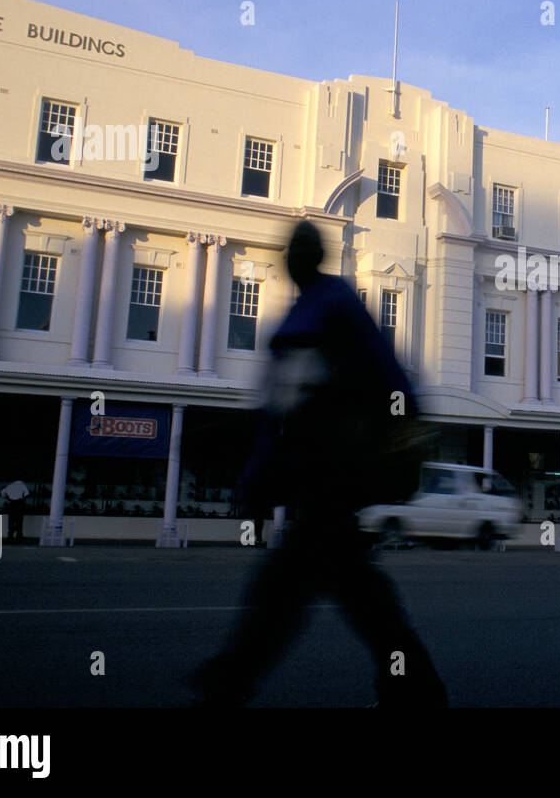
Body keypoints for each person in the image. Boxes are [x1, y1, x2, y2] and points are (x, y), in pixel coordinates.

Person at [188, 220, 446, 707]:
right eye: (292, 249)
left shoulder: (324, 310)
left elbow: (295, 402)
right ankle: (414, 689)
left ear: (311, 257)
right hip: (329, 475)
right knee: (349, 587)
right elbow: (282, 408)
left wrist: (262, 471)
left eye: (301, 249)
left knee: (299, 585)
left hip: (335, 473)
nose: (294, 257)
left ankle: (231, 679)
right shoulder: (314, 312)